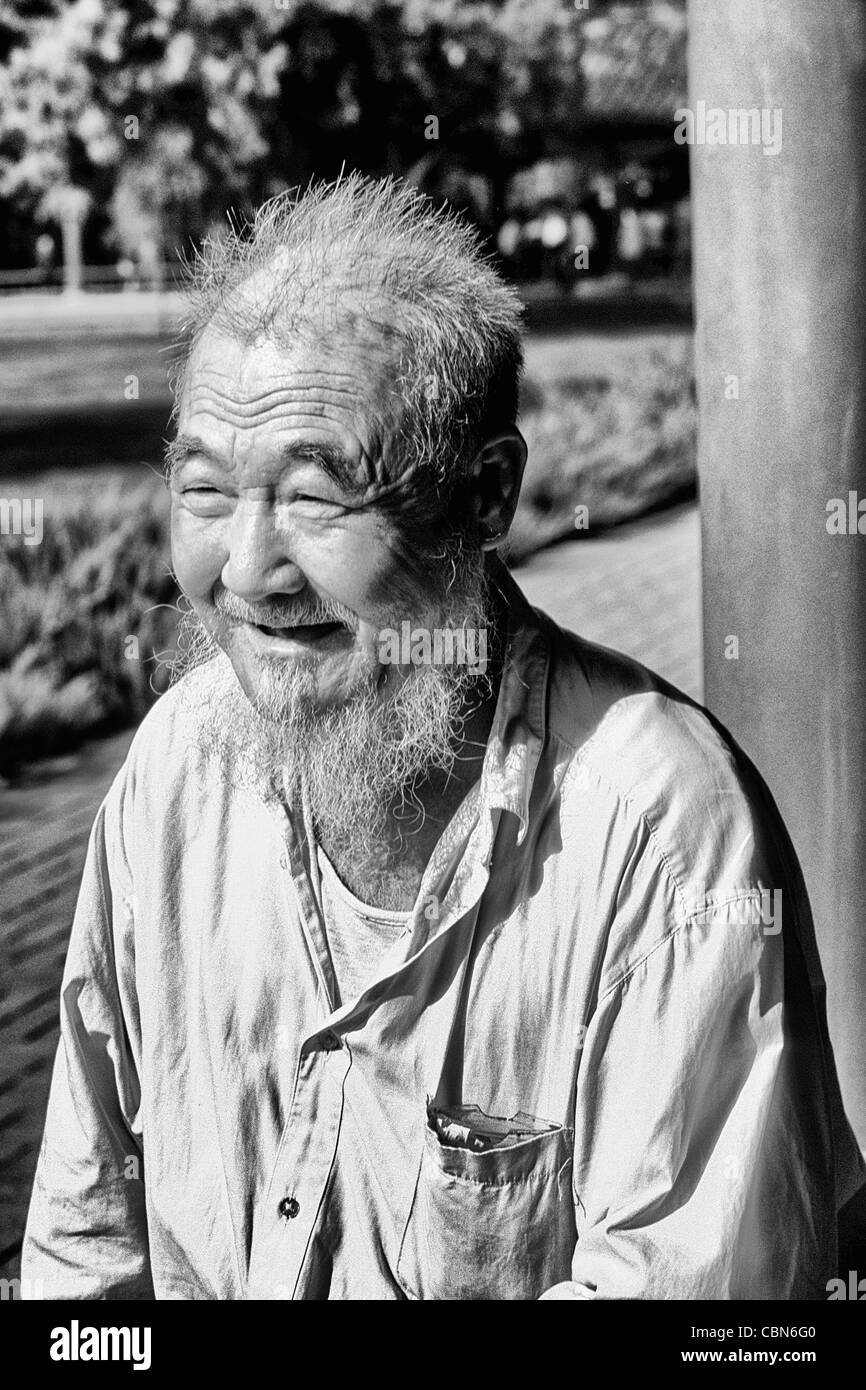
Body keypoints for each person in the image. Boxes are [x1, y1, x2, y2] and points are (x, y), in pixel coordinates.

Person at [22, 174, 862, 1300]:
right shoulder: (174, 770)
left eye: (317, 500)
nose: (246, 573)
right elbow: (84, 1251)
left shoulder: (663, 836)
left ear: (485, 494)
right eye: (207, 487)